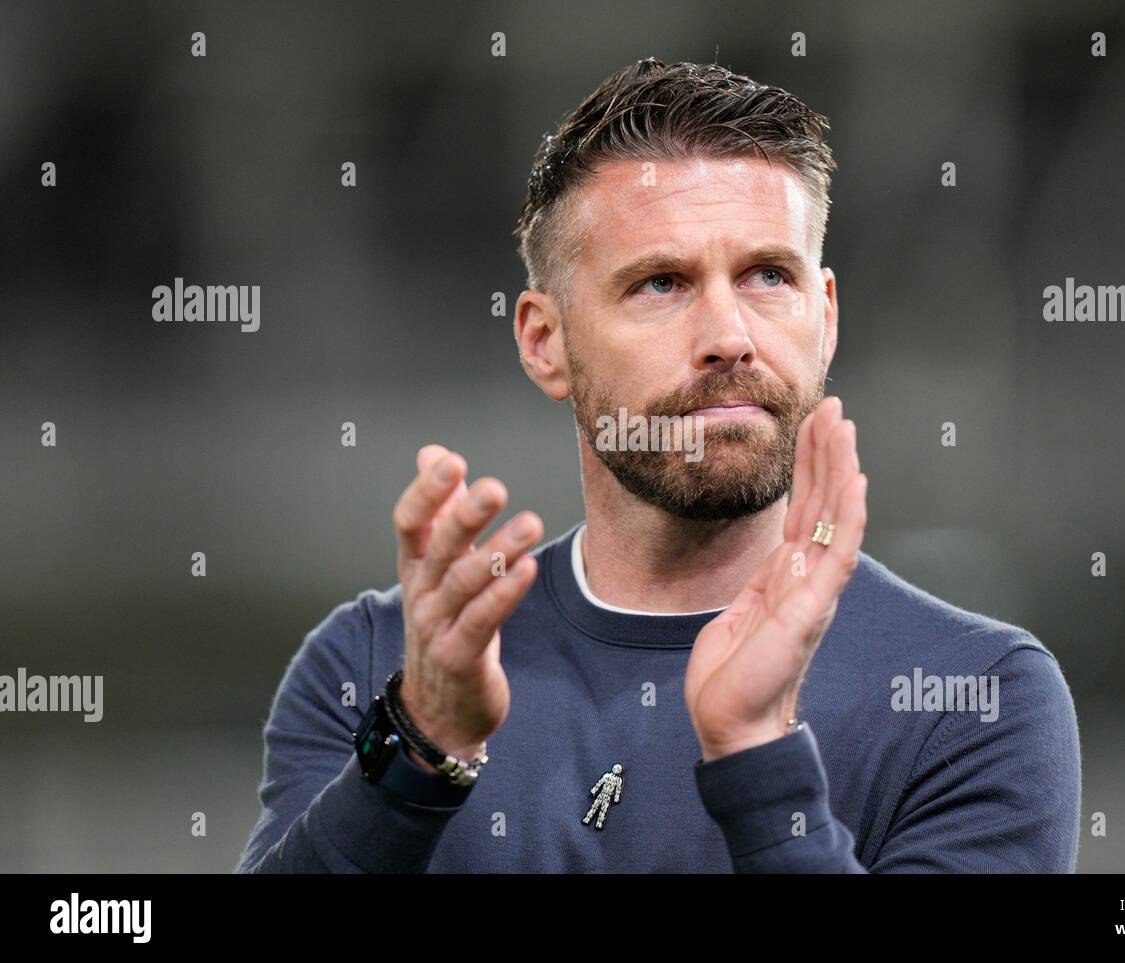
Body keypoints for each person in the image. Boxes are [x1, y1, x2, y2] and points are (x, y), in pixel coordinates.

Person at [235, 58, 1080, 874]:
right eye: (662, 284)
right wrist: (423, 747)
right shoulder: (376, 665)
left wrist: (756, 756)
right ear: (544, 340)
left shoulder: (972, 695)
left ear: (824, 318)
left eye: (767, 275)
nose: (729, 336)